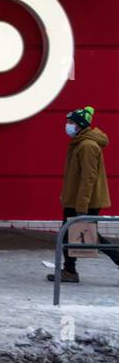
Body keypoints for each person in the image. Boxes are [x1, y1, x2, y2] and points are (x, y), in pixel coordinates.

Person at [49, 106, 119, 283]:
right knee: (73, 236)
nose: (68, 125)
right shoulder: (79, 143)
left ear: (80, 124)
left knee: (89, 237)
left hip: (84, 202)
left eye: (71, 122)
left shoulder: (87, 145)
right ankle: (69, 271)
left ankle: (70, 271)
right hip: (75, 200)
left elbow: (88, 178)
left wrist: (81, 206)